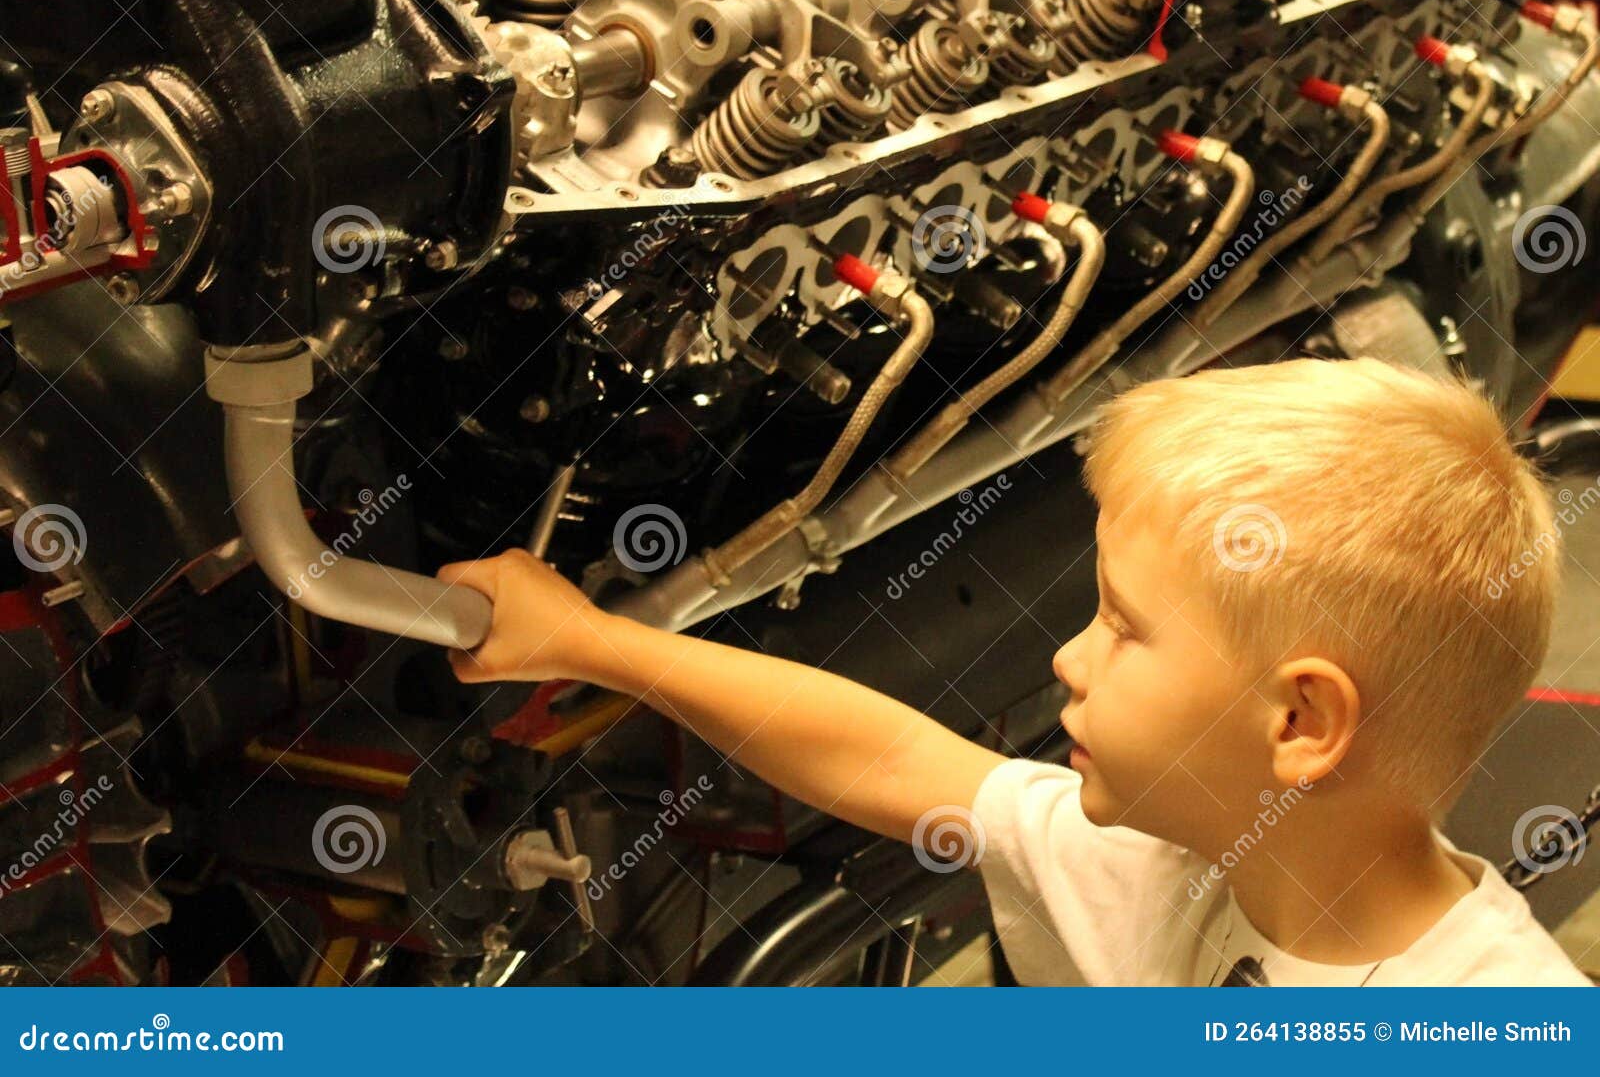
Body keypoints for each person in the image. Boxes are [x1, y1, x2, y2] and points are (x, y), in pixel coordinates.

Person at [441, 358, 1591, 985]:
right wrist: (594, 642)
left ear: (1299, 719)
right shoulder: (1176, 860)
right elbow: (894, 757)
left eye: (1122, 626)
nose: (1067, 656)